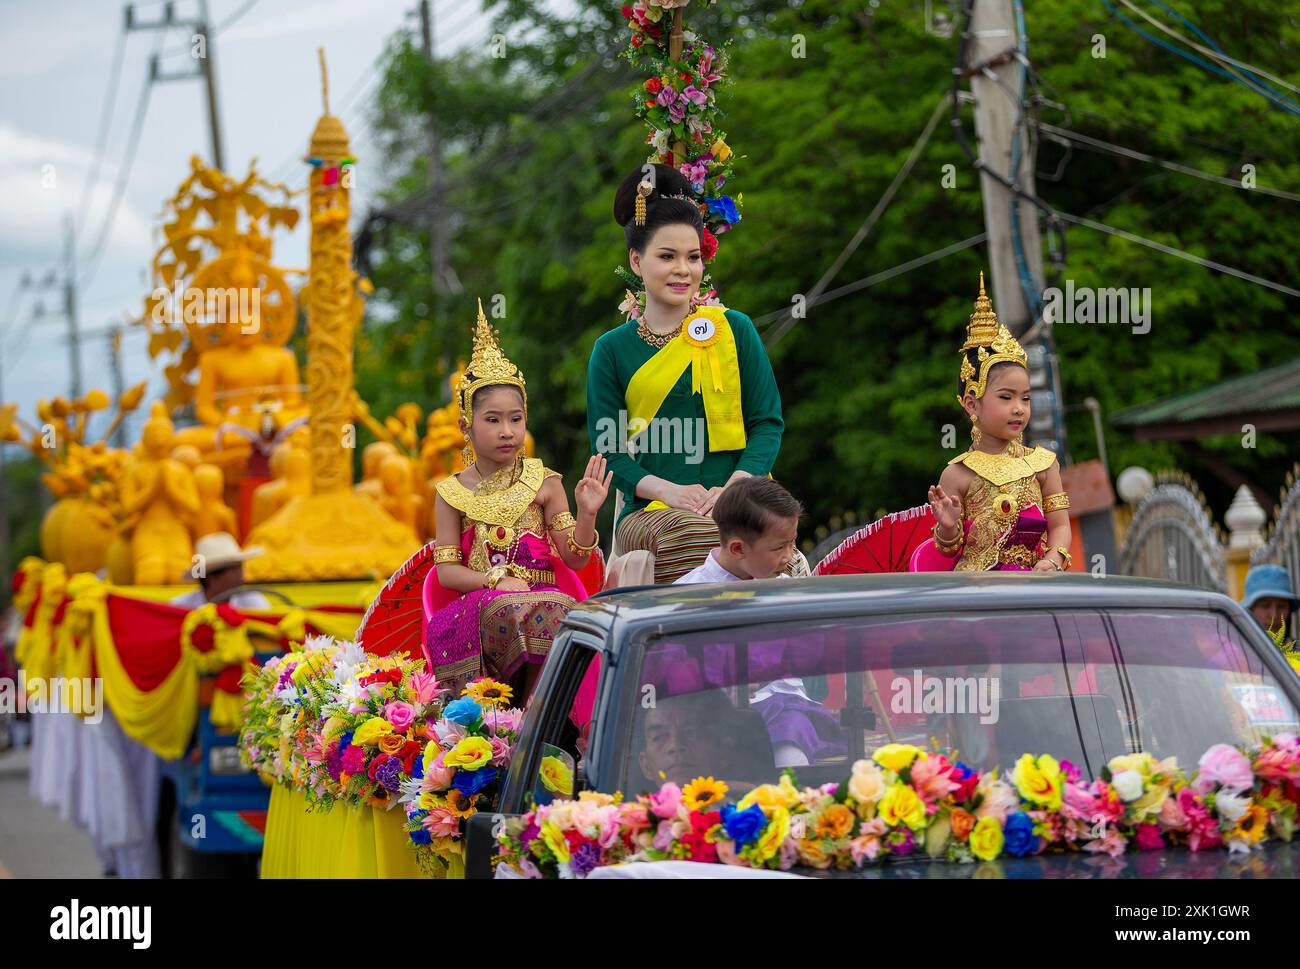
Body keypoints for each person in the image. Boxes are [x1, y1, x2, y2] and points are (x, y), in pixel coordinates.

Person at [587, 163, 785, 584]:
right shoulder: (612, 350)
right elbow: (610, 453)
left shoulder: (734, 329)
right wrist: (667, 491)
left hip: (740, 500)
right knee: (703, 538)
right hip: (654, 514)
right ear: (637, 262)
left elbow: (767, 424)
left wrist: (735, 487)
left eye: (693, 257)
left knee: (766, 540)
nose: (683, 270)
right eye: (667, 256)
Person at [424, 300, 612, 699]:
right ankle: (514, 722)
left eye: (516, 418)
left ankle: (531, 720)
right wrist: (497, 580)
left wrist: (587, 513)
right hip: (479, 607)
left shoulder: (545, 482)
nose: (508, 431)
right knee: (517, 608)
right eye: (493, 420)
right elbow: (447, 575)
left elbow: (575, 558)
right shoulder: (450, 493)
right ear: (466, 426)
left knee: (564, 616)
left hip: (545, 605)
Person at [673, 477, 844, 768]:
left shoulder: (785, 590)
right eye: (779, 547)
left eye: (792, 542)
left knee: (792, 757)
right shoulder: (684, 598)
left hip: (785, 720)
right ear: (738, 548)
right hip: (712, 727)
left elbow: (811, 662)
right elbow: (673, 681)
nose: (790, 556)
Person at [922, 274, 1073, 572]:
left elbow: (1061, 528)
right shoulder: (957, 474)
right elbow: (947, 549)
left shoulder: (1043, 466)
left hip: (1035, 584)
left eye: (1026, 399)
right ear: (971, 403)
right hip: (979, 594)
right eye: (1006, 398)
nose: (1019, 409)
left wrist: (1052, 561)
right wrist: (949, 527)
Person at [169, 532, 272, 611]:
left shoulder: (252, 602)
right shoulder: (181, 607)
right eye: (233, 569)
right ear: (212, 578)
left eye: (240, 567)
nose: (241, 574)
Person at [1242, 564, 1298, 639]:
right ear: (1249, 610)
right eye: (1265, 606)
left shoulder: (1296, 649)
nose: (1274, 616)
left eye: (1281, 606)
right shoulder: (1233, 649)